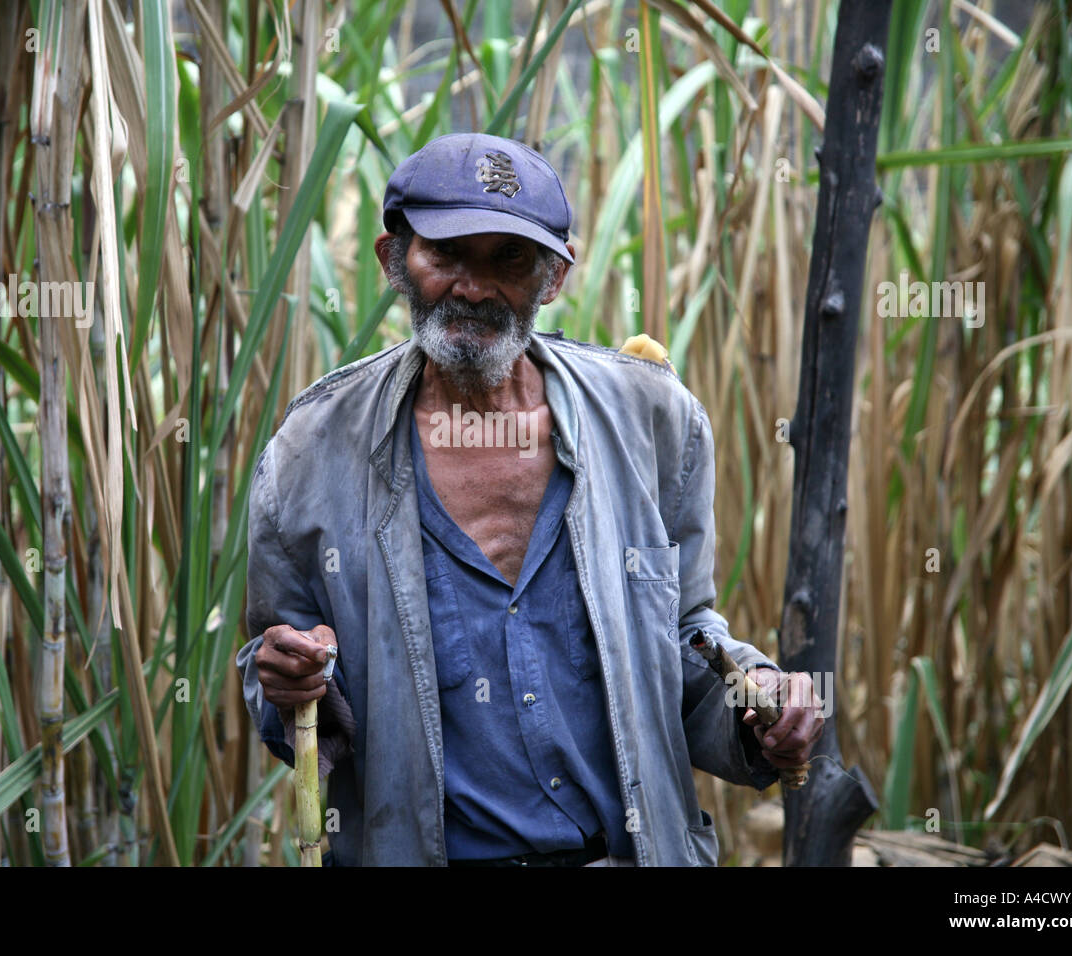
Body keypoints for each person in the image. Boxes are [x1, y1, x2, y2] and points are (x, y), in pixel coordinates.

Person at [237, 132, 824, 866]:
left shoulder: (651, 421)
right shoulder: (311, 450)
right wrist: (293, 682)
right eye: (445, 255)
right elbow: (275, 676)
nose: (474, 288)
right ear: (395, 261)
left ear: (553, 278)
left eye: (508, 260)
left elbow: (682, 638)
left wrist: (758, 698)